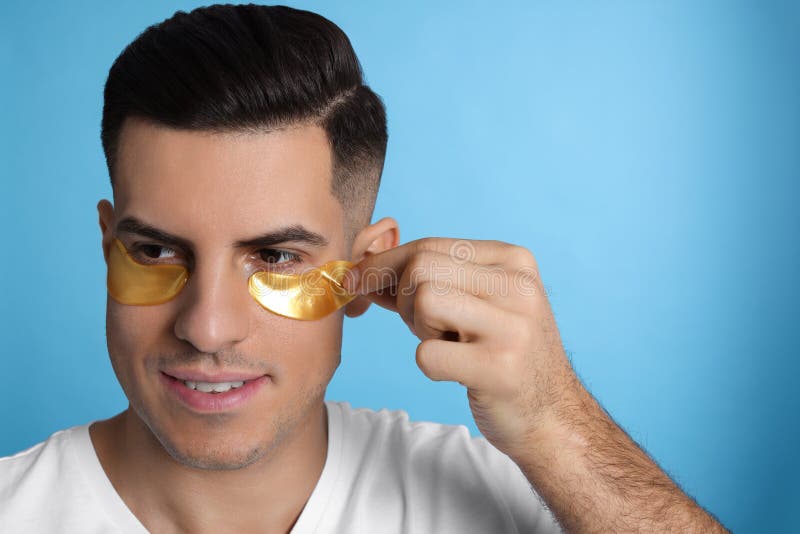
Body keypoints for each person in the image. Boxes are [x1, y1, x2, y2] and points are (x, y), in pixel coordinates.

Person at [0, 4, 727, 533]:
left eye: (276, 256)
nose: (207, 327)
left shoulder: (512, 501)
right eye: (155, 251)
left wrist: (558, 426)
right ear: (107, 247)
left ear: (366, 269)